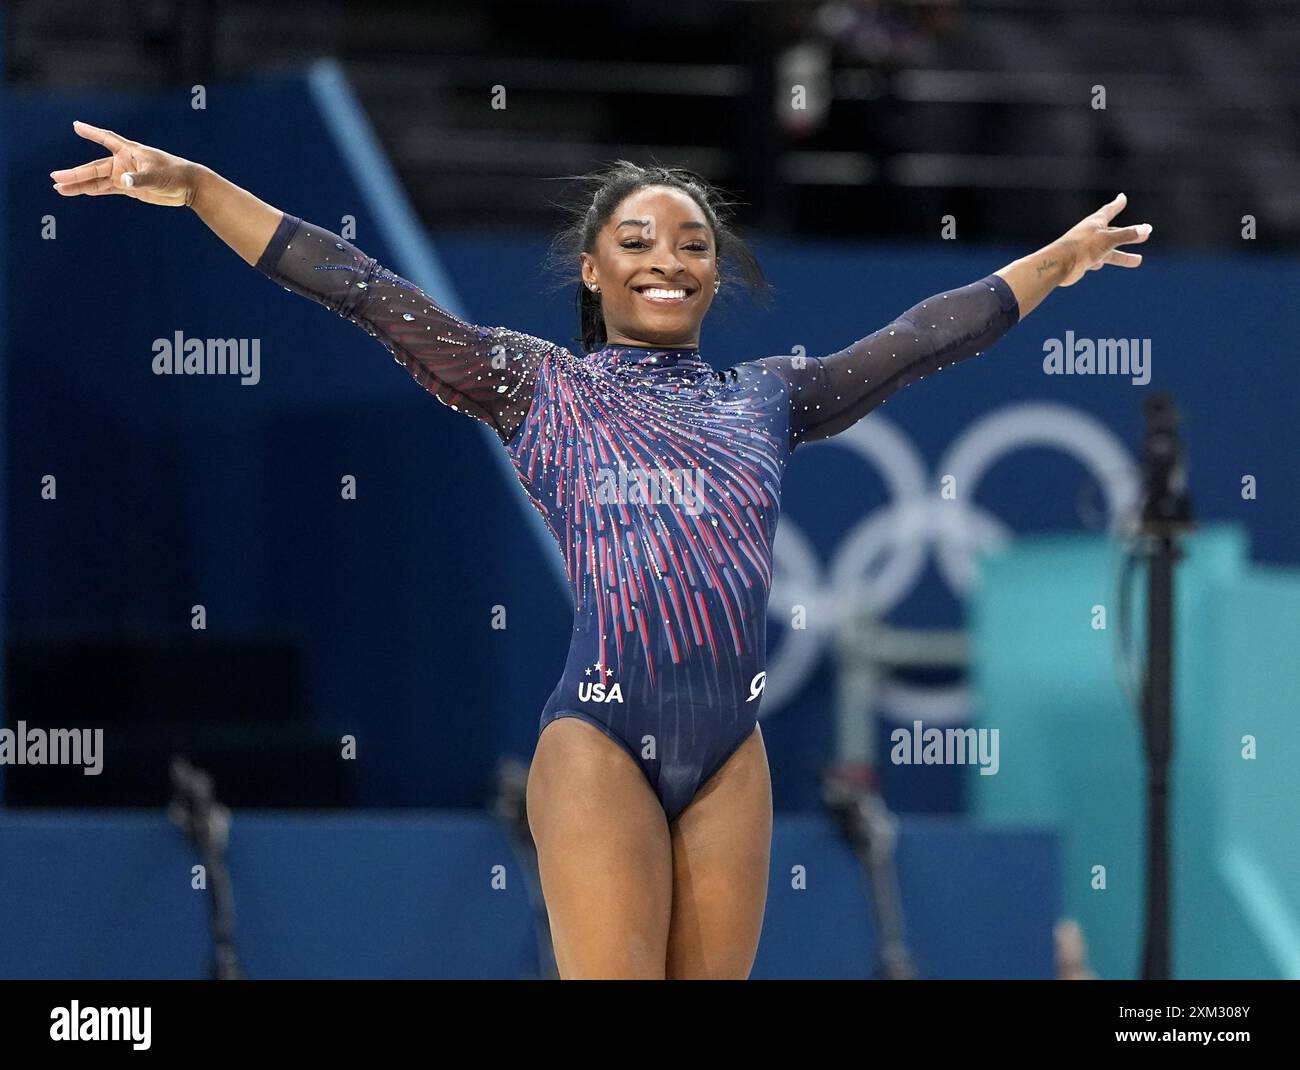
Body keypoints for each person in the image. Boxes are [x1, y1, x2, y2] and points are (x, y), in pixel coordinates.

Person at [51, 121, 1151, 979]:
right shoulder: (538, 386)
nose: (665, 261)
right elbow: (356, 287)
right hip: (600, 740)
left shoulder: (766, 399)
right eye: (635, 242)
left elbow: (919, 341)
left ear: (716, 275)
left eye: (691, 245)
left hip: (733, 752)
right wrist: (197, 188)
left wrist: (1053, 262)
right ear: (591, 270)